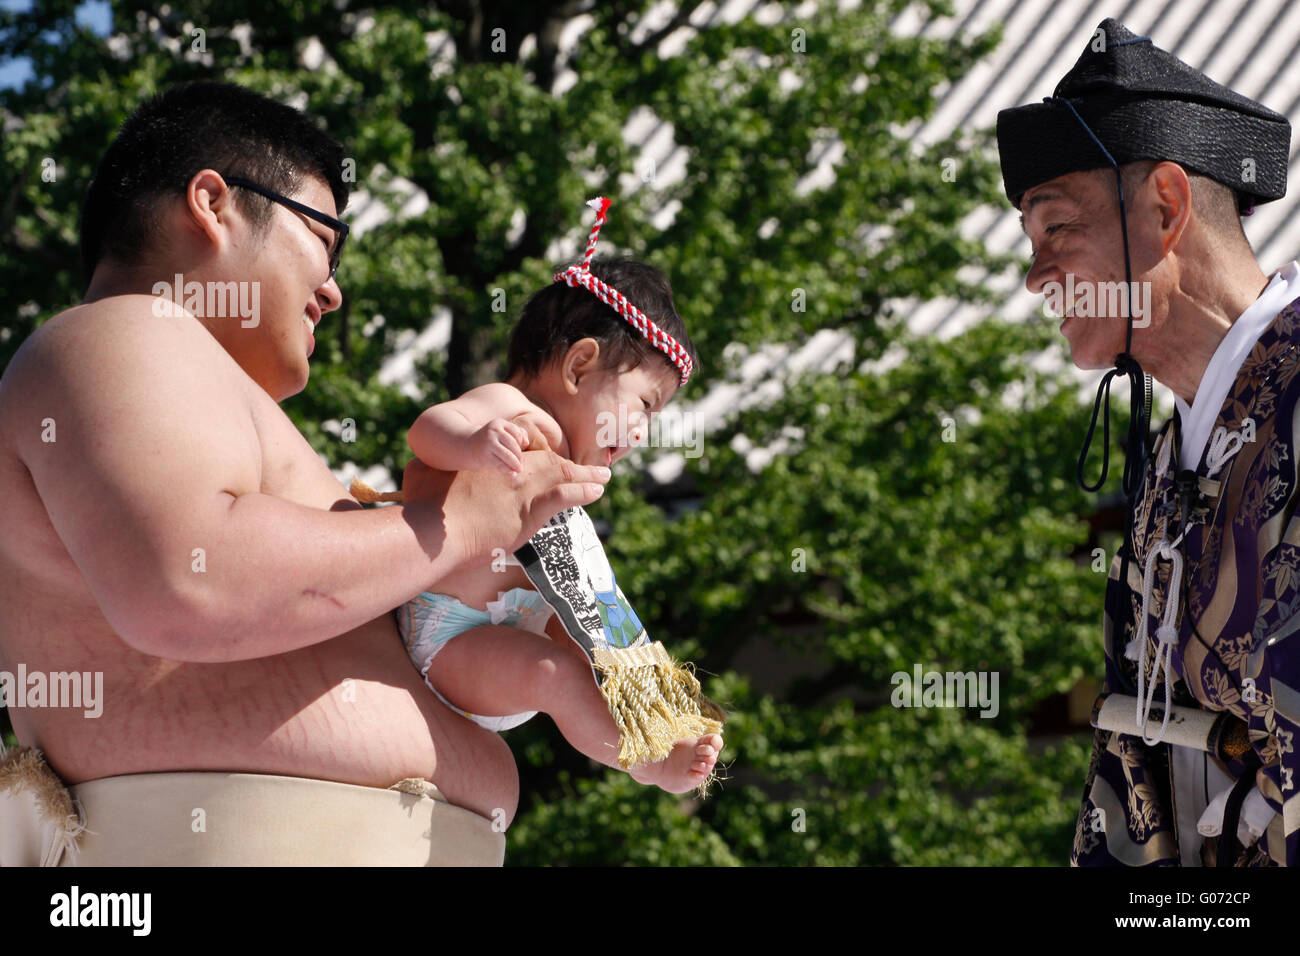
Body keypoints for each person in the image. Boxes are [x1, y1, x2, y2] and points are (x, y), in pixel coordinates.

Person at [0, 81, 610, 866]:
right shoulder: (119, 331)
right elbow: (192, 580)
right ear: (213, 203)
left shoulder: (213, 400)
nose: (332, 288)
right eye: (323, 237)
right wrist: (463, 522)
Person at [998, 19, 1299, 866]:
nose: (1033, 273)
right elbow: (1127, 758)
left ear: (1166, 208)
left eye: (1056, 228)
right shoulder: (1169, 465)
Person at [393, 205, 722, 793]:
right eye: (644, 405)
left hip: (519, 636)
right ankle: (644, 762)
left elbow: (586, 600)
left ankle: (656, 724)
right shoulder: (505, 409)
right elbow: (426, 432)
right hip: (449, 637)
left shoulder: (571, 477)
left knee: (588, 642)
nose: (645, 432)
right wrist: (475, 442)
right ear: (579, 365)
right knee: (556, 673)